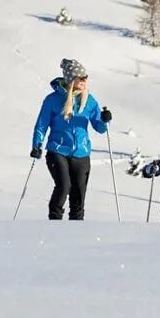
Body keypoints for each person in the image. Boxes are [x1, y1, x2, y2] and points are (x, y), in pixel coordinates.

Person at [30, 58, 112, 221]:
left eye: (85, 78)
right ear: (71, 80)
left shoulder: (90, 101)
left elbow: (100, 128)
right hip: (57, 150)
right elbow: (41, 124)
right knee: (64, 186)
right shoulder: (52, 100)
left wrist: (104, 120)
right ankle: (54, 221)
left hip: (81, 154)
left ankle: (76, 229)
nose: (84, 81)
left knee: (79, 194)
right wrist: (37, 145)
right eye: (81, 78)